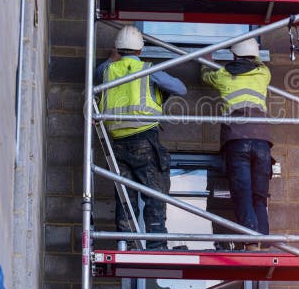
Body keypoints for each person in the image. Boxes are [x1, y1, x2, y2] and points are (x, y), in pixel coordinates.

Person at [95, 25, 187, 250]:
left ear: (118, 48)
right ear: (139, 50)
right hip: (144, 140)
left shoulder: (105, 71)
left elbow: (103, 69)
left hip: (115, 142)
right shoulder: (148, 70)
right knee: (154, 193)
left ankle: (126, 244)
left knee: (125, 196)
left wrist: (113, 58)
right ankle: (156, 244)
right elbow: (180, 89)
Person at [201, 38, 272, 251]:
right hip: (261, 141)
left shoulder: (223, 75)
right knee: (259, 196)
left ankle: (251, 242)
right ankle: (264, 240)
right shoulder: (263, 74)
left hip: (237, 140)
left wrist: (207, 58)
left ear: (234, 56)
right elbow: (260, 63)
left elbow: (205, 75)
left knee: (242, 194)